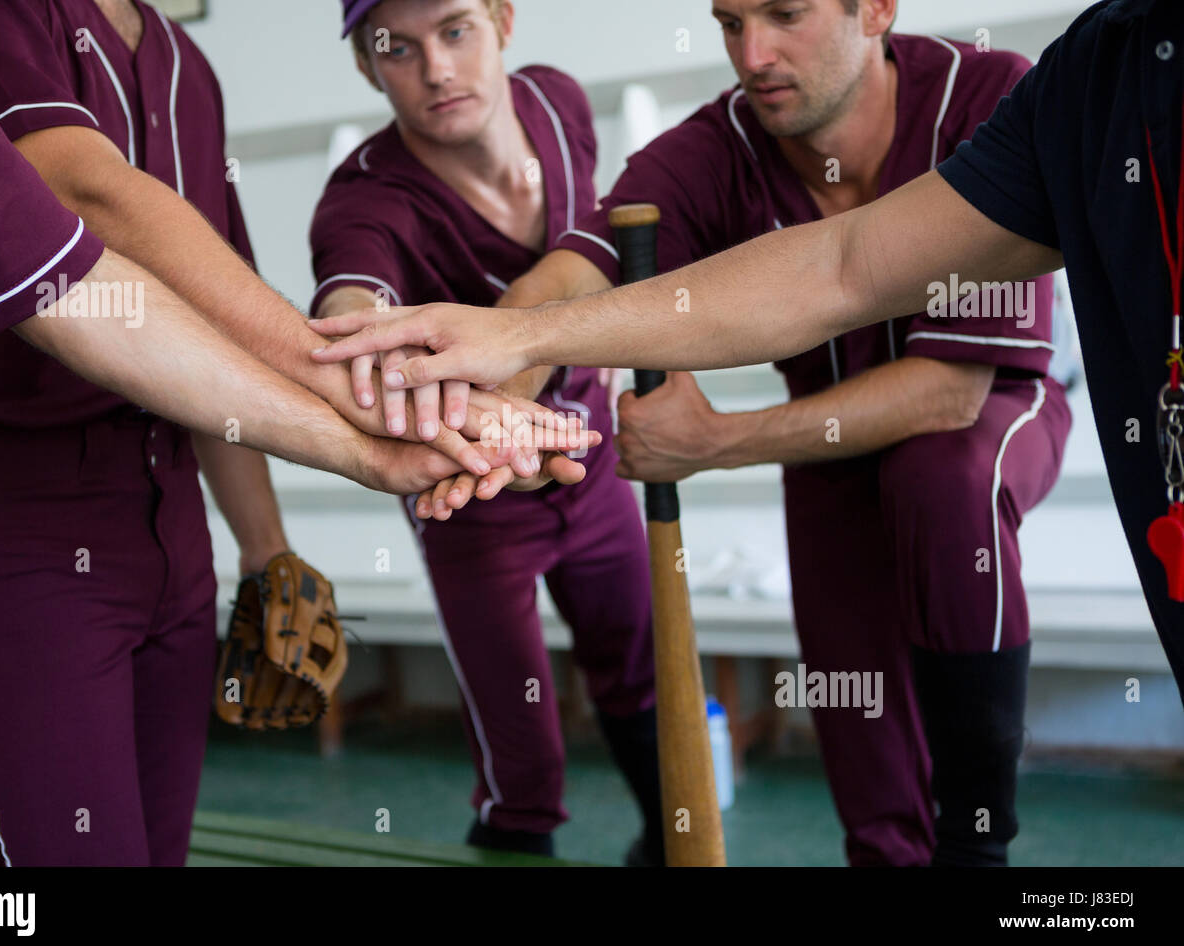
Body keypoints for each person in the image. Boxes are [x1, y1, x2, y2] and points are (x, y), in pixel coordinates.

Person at [314, 0, 1184, 870]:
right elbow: (570, 280)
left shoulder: (987, 89)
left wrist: (715, 441)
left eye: (784, 14)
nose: (753, 53)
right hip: (819, 453)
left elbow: (948, 395)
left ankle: (976, 846)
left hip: (986, 412)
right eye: (729, 22)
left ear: (875, 9)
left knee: (940, 478)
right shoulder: (716, 144)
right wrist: (502, 400)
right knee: (867, 771)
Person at [0, 0, 593, 867]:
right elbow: (81, 207)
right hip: (17, 521)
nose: (438, 67)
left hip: (174, 509)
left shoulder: (187, 64)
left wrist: (267, 549)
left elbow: (210, 329)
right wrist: (380, 405)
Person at [308, 0, 661, 863]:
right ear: (365, 65)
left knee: (643, 670)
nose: (434, 69)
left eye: (456, 29)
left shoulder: (560, 103)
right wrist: (350, 326)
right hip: (471, 489)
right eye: (397, 47)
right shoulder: (365, 201)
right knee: (520, 745)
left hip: (593, 457)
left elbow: (602, 261)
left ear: (504, 19)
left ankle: (668, 840)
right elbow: (349, 312)